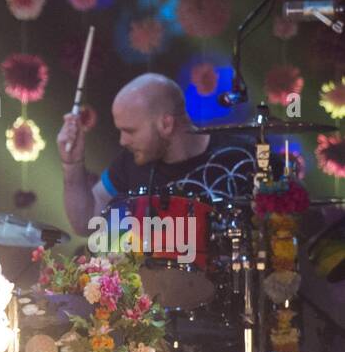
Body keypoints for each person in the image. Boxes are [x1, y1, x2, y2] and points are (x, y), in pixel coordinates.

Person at [58, 73, 255, 235]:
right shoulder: (133, 161)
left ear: (166, 124)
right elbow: (86, 222)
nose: (122, 141)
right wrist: (72, 164)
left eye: (130, 131)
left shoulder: (241, 157)